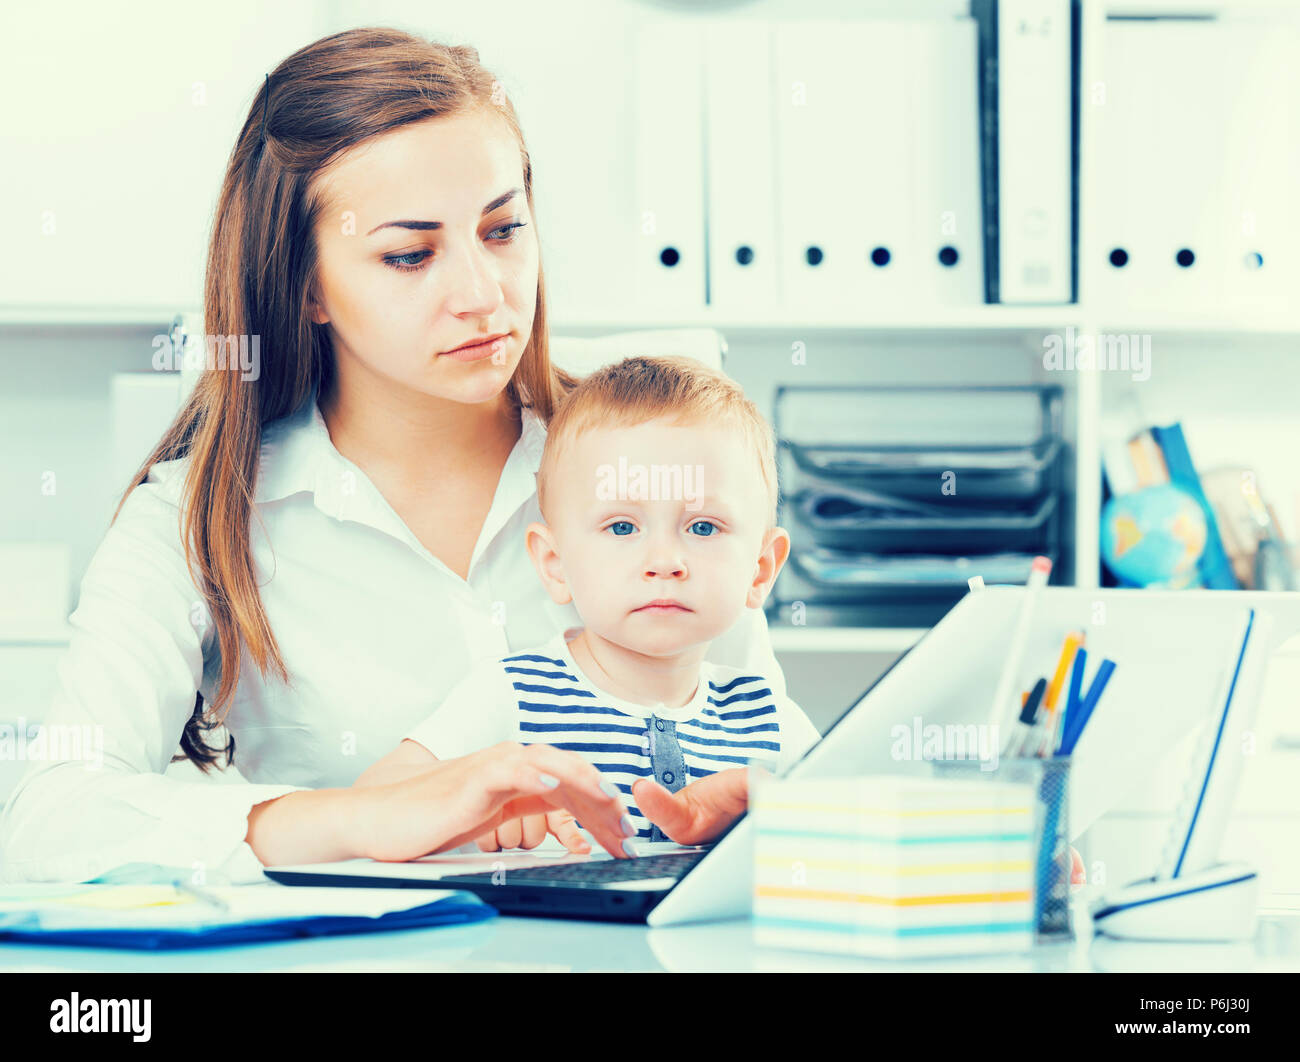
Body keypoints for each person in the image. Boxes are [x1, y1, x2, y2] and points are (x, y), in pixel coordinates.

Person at [0, 28, 787, 885]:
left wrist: (767, 805)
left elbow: (760, 741)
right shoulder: (198, 515)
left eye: (502, 230)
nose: (483, 294)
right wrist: (372, 818)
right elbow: (52, 818)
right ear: (306, 286)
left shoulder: (658, 464)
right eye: (409, 255)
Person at [354, 356, 820, 853]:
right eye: (622, 527)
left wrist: (781, 822)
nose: (664, 562)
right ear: (555, 564)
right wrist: (473, 803)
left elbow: (858, 827)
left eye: (703, 527)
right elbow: (366, 807)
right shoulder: (512, 694)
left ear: (761, 569)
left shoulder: (767, 715)